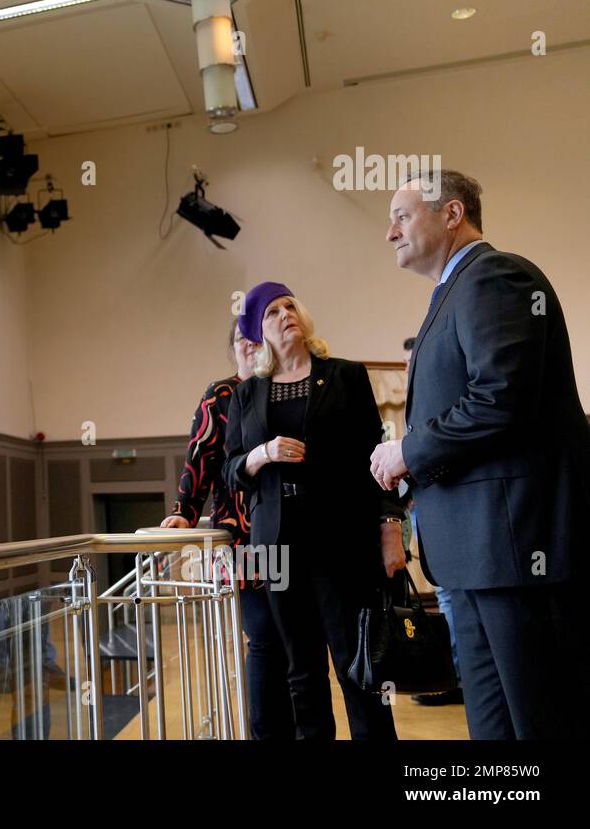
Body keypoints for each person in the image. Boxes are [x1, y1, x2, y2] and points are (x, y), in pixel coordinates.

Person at [371, 170, 590, 739]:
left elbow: (500, 399)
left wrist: (407, 452)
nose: (390, 232)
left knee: (539, 720)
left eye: (402, 215)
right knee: (494, 727)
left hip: (513, 550)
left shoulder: (494, 275)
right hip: (474, 556)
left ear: (451, 214)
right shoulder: (452, 292)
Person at [225, 282, 404, 740]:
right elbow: (230, 471)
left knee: (355, 666)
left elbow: (376, 456)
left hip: (340, 541)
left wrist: (389, 525)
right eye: (272, 312)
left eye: (290, 306)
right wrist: (262, 452)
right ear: (258, 334)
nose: (286, 314)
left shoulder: (344, 375)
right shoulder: (248, 395)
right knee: (301, 671)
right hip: (277, 549)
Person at [159, 320, 295, 739]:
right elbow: (200, 455)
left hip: (293, 530)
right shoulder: (221, 394)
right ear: (233, 348)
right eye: (242, 339)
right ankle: (266, 734)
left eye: (258, 336)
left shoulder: (288, 383)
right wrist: (184, 510)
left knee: (298, 643)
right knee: (264, 637)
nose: (251, 345)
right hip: (244, 535)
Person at [400, 335, 463, 707]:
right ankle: (452, 672)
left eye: (411, 362)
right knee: (445, 591)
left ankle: (455, 676)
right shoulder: (415, 399)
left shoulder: (438, 393)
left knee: (451, 593)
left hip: (448, 499)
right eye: (405, 364)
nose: (409, 368)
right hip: (424, 502)